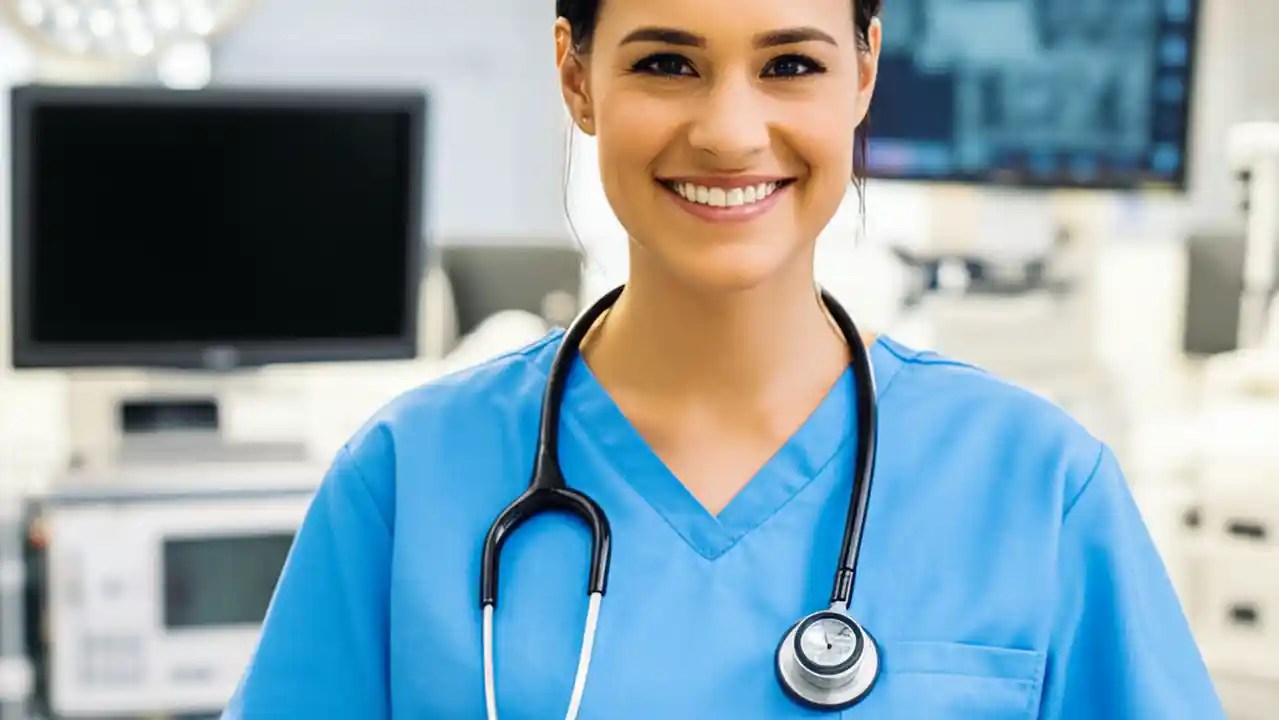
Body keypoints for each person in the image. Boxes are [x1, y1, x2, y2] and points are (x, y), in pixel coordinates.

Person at [222, 0, 1225, 717]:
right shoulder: (409, 478)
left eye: (789, 65)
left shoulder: (1034, 484)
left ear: (864, 72)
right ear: (575, 75)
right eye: (666, 63)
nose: (729, 132)